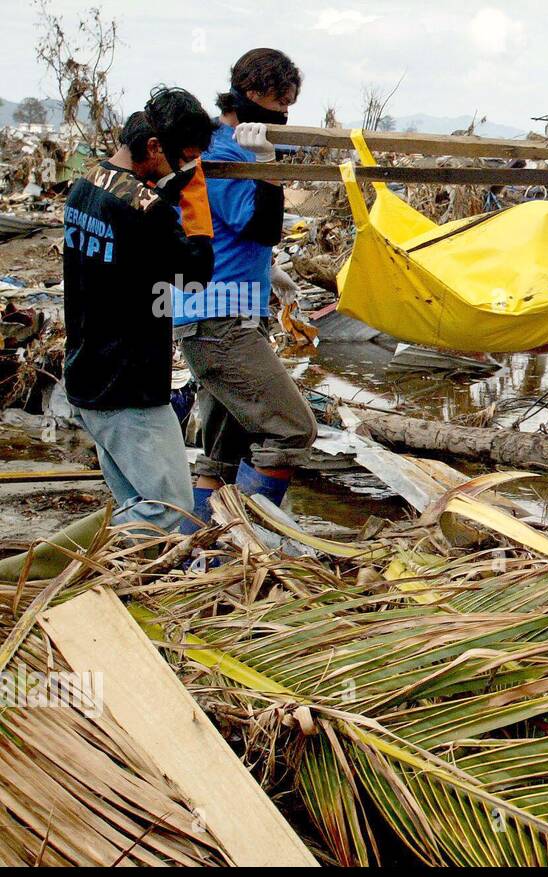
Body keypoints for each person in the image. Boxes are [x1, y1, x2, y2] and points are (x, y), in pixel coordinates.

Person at [62, 87, 216, 534]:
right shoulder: (148, 211)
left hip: (88, 373)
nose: (184, 169)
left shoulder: (85, 185)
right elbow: (195, 274)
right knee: (167, 509)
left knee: (137, 503)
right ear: (153, 147)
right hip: (128, 387)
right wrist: (195, 203)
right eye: (183, 157)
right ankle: (45, 568)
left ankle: (117, 589)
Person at [175, 48, 316, 532]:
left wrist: (267, 273)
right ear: (252, 94)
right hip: (219, 323)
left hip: (217, 313)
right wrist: (266, 168)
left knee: (222, 450)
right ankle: (248, 542)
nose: (283, 116)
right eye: (280, 106)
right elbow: (262, 226)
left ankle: (199, 548)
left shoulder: (222, 146)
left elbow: (234, 235)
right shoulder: (223, 156)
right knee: (292, 430)